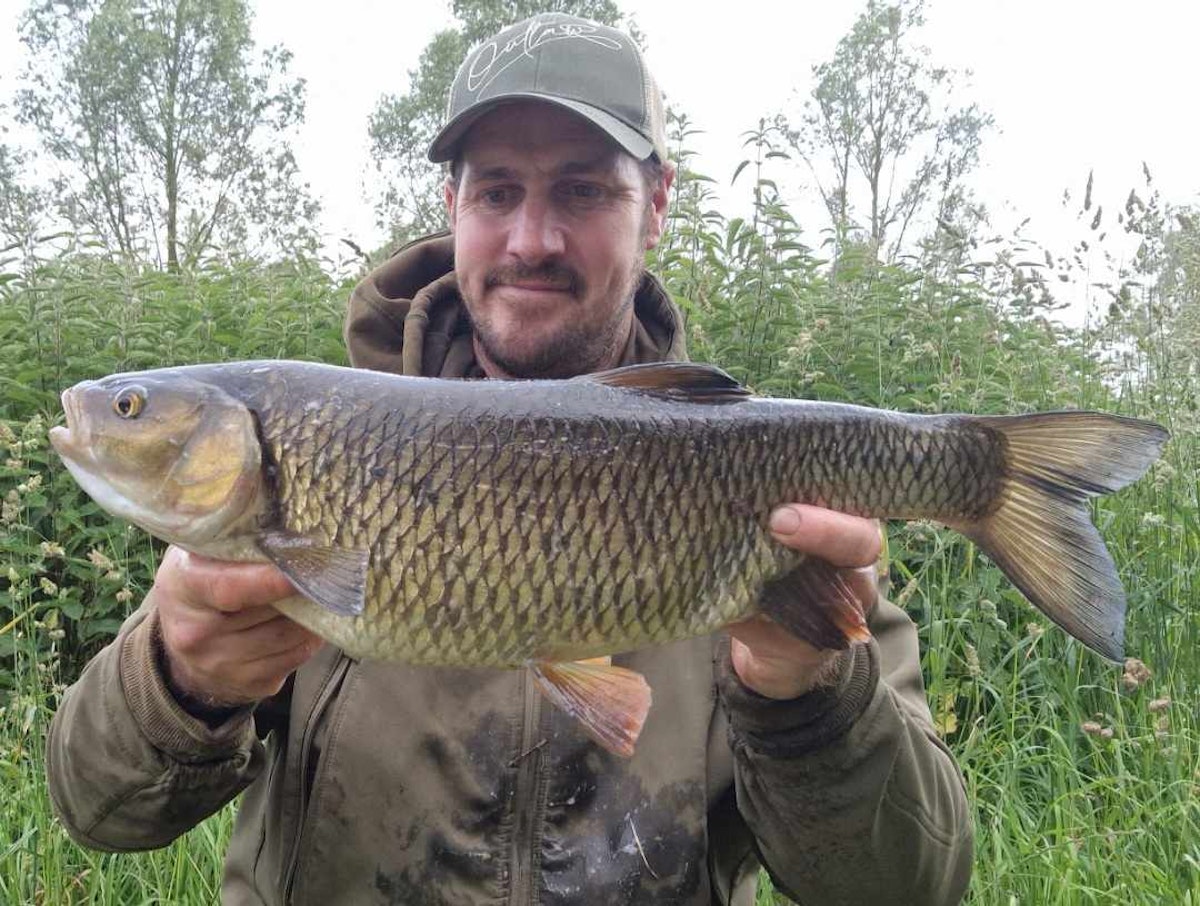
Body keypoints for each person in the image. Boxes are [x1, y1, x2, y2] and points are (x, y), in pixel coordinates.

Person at [46, 13, 973, 905]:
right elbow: (95, 809)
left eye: (582, 190)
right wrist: (176, 679)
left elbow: (913, 888)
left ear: (656, 206)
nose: (533, 239)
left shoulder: (773, 488)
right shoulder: (309, 457)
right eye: (497, 191)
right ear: (452, 207)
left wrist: (808, 695)